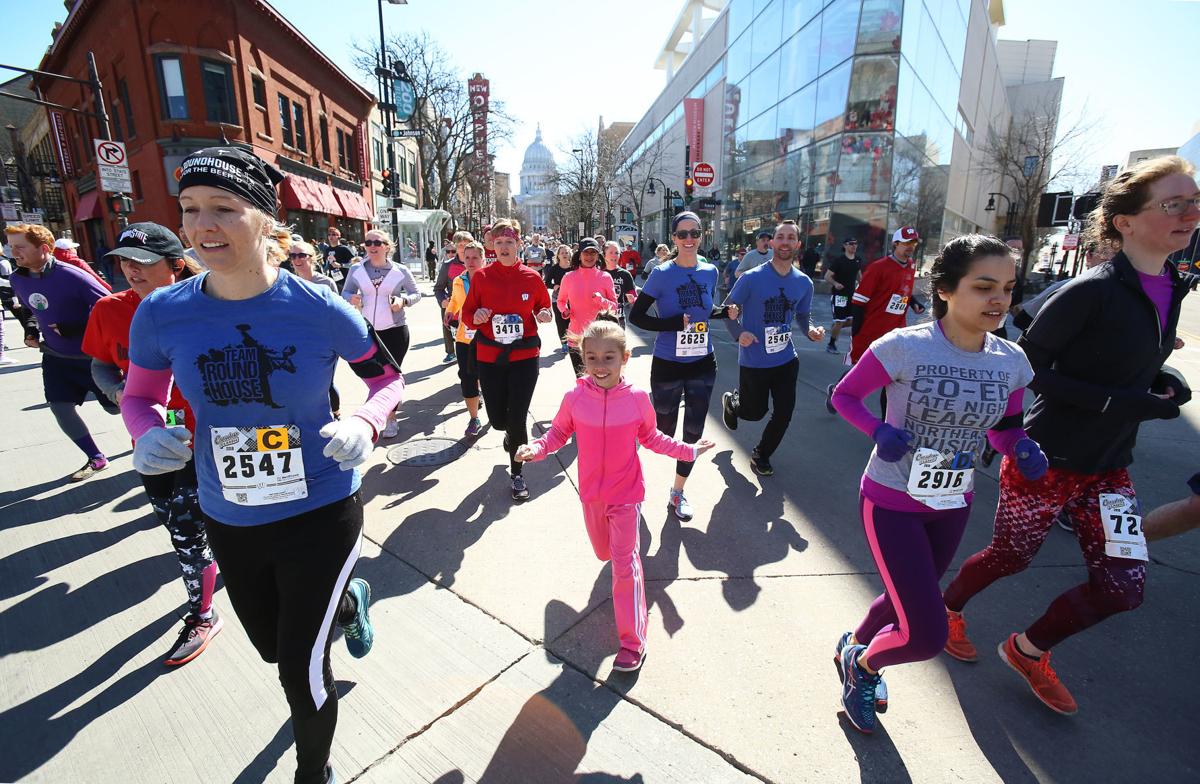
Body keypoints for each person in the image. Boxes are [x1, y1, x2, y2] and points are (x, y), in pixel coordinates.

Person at [122, 145, 405, 784]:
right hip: (228, 512)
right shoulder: (162, 312)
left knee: (299, 671)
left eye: (223, 208)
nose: (202, 226)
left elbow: (387, 379)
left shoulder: (317, 308)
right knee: (273, 645)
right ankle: (349, 607)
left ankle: (315, 772)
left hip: (321, 509)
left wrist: (364, 421)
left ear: (266, 219)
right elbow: (139, 397)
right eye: (190, 209)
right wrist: (143, 433)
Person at [941, 156, 1200, 716]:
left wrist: (1156, 381)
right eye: (1174, 203)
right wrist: (1116, 400)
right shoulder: (1091, 289)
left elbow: (1120, 360)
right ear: (1126, 221)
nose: (1191, 212)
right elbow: (1026, 362)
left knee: (1123, 586)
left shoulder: (1173, 285)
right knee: (1011, 557)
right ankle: (944, 609)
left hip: (1110, 466)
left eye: (1195, 201)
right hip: (1046, 459)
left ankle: (1028, 650)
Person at [830, 234, 1042, 734]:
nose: (998, 300)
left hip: (952, 500)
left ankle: (851, 649)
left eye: (1008, 289)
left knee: (908, 593)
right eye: (984, 286)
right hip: (892, 499)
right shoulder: (904, 346)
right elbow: (845, 396)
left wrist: (1023, 449)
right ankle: (863, 667)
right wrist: (878, 430)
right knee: (925, 634)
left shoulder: (1011, 360)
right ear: (945, 289)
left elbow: (1005, 428)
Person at [516, 316, 714, 672]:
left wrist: (689, 450)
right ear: (583, 359)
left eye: (609, 357)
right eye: (591, 357)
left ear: (625, 359)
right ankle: (627, 615)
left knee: (625, 566)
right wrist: (537, 448)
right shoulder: (574, 396)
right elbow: (558, 434)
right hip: (591, 495)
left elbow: (652, 437)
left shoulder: (637, 398)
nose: (599, 365)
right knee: (603, 552)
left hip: (626, 494)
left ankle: (632, 642)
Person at [82, 222, 222, 665]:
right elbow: (101, 366)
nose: (131, 270)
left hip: (222, 437)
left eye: (143, 262)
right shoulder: (108, 309)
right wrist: (122, 395)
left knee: (229, 526)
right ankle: (205, 609)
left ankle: (205, 605)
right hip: (158, 443)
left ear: (175, 265)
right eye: (123, 261)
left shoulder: (213, 302)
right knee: (182, 530)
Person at [629, 211, 733, 521]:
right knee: (663, 429)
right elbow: (637, 317)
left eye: (695, 233)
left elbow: (704, 311)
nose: (689, 239)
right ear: (673, 238)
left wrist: (724, 312)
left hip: (702, 361)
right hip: (668, 363)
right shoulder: (662, 273)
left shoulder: (710, 271)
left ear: (702, 236)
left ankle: (677, 492)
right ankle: (643, 418)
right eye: (682, 234)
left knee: (692, 432)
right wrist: (671, 323)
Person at [7, 223, 117, 481]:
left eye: (20, 247)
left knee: (117, 408)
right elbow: (30, 309)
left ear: (44, 249)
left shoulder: (73, 275)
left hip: (93, 358)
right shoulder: (17, 278)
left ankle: (169, 428)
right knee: (60, 407)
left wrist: (76, 327)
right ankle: (96, 457)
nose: (14, 253)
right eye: (11, 247)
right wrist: (31, 330)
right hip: (56, 358)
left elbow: (111, 307)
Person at [720, 220, 825, 476]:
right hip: (755, 358)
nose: (785, 242)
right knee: (753, 413)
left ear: (798, 244)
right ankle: (734, 403)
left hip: (786, 358)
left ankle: (761, 455)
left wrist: (810, 329)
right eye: (781, 237)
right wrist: (738, 332)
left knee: (784, 413)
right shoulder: (752, 278)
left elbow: (802, 314)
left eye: (791, 238)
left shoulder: (804, 283)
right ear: (772, 243)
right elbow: (727, 310)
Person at [461, 218, 554, 501]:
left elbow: (543, 306)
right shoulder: (482, 278)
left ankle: (517, 473)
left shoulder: (531, 277)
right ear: (493, 245)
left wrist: (545, 314)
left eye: (509, 242)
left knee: (517, 417)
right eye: (499, 243)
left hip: (525, 356)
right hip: (490, 356)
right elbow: (467, 314)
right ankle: (508, 435)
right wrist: (475, 317)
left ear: (519, 245)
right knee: (500, 420)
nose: (504, 247)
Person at [824, 226, 927, 415]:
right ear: (895, 244)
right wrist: (857, 330)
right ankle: (836, 391)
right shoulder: (878, 267)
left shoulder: (911, 266)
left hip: (897, 331)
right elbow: (859, 301)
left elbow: (902, 290)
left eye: (913, 243)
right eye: (905, 243)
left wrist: (913, 302)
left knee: (894, 378)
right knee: (860, 372)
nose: (910, 247)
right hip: (871, 329)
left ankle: (887, 423)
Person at [342, 229, 421, 438]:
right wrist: (352, 298)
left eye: (377, 242)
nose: (372, 246)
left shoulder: (400, 270)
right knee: (375, 375)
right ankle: (386, 406)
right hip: (367, 330)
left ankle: (391, 418)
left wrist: (403, 301)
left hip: (395, 330)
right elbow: (345, 292)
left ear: (387, 246)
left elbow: (416, 293)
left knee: (391, 376)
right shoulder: (357, 269)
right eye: (368, 242)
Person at [557, 238, 618, 376]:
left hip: (600, 337)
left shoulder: (605, 277)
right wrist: (565, 311)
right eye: (586, 252)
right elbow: (560, 301)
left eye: (593, 253)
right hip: (576, 337)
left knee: (599, 379)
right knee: (581, 380)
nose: (589, 256)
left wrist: (601, 300)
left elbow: (614, 307)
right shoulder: (568, 277)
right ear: (579, 255)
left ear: (598, 256)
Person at [445, 241, 487, 437]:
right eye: (467, 257)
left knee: (487, 376)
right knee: (467, 377)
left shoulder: (491, 280)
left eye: (475, 258)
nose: (470, 261)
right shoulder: (458, 280)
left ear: (482, 259)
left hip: (487, 336)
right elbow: (455, 299)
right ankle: (474, 417)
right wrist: (450, 311)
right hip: (464, 336)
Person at [434, 231, 472, 363]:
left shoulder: (479, 263)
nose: (463, 248)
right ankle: (451, 352)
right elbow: (438, 288)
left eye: (466, 244)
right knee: (456, 337)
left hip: (474, 310)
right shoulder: (448, 265)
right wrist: (443, 300)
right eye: (460, 245)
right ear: (456, 246)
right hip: (453, 308)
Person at [824, 237, 864, 354]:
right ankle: (831, 344)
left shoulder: (857, 260)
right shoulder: (839, 260)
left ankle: (836, 325)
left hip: (852, 295)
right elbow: (827, 276)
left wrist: (864, 288)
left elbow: (859, 276)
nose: (854, 246)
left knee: (853, 321)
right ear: (845, 246)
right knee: (840, 321)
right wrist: (836, 284)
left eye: (856, 243)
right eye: (851, 244)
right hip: (840, 295)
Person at [543, 244, 574, 353]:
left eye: (566, 252)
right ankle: (564, 344)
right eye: (562, 253)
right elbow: (546, 283)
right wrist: (554, 286)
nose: (564, 255)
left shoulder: (574, 268)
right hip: (558, 298)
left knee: (572, 321)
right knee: (561, 322)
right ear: (558, 256)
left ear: (570, 254)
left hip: (573, 299)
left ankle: (572, 341)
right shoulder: (554, 268)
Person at [602, 240, 638, 326]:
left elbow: (633, 294)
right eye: (611, 252)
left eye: (616, 253)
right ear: (604, 255)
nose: (614, 256)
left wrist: (633, 299)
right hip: (602, 318)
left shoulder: (625, 274)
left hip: (619, 319)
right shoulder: (599, 273)